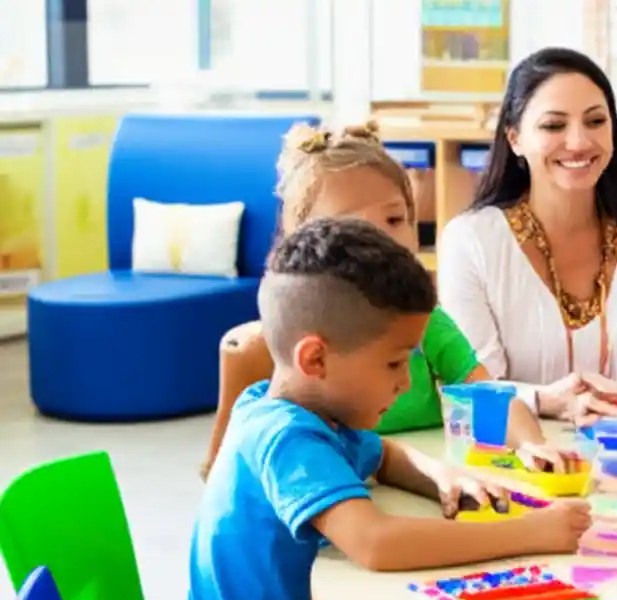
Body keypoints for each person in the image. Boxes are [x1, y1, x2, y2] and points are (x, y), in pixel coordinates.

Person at [168, 217, 592, 600]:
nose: (407, 385)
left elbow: (382, 454)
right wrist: (532, 532)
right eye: (395, 365)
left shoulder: (286, 406)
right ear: (316, 359)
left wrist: (441, 477)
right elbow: (376, 543)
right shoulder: (286, 438)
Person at [201, 120, 568, 481]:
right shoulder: (280, 345)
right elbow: (225, 471)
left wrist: (530, 444)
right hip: (332, 500)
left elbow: (491, 398)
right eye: (348, 224)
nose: (381, 237)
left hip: (429, 484)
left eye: (395, 218)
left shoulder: (426, 325)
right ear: (302, 241)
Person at [435, 47, 617, 425]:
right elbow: (473, 388)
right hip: (515, 458)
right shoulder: (470, 240)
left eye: (595, 121)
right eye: (554, 125)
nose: (578, 142)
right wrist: (549, 401)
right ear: (515, 138)